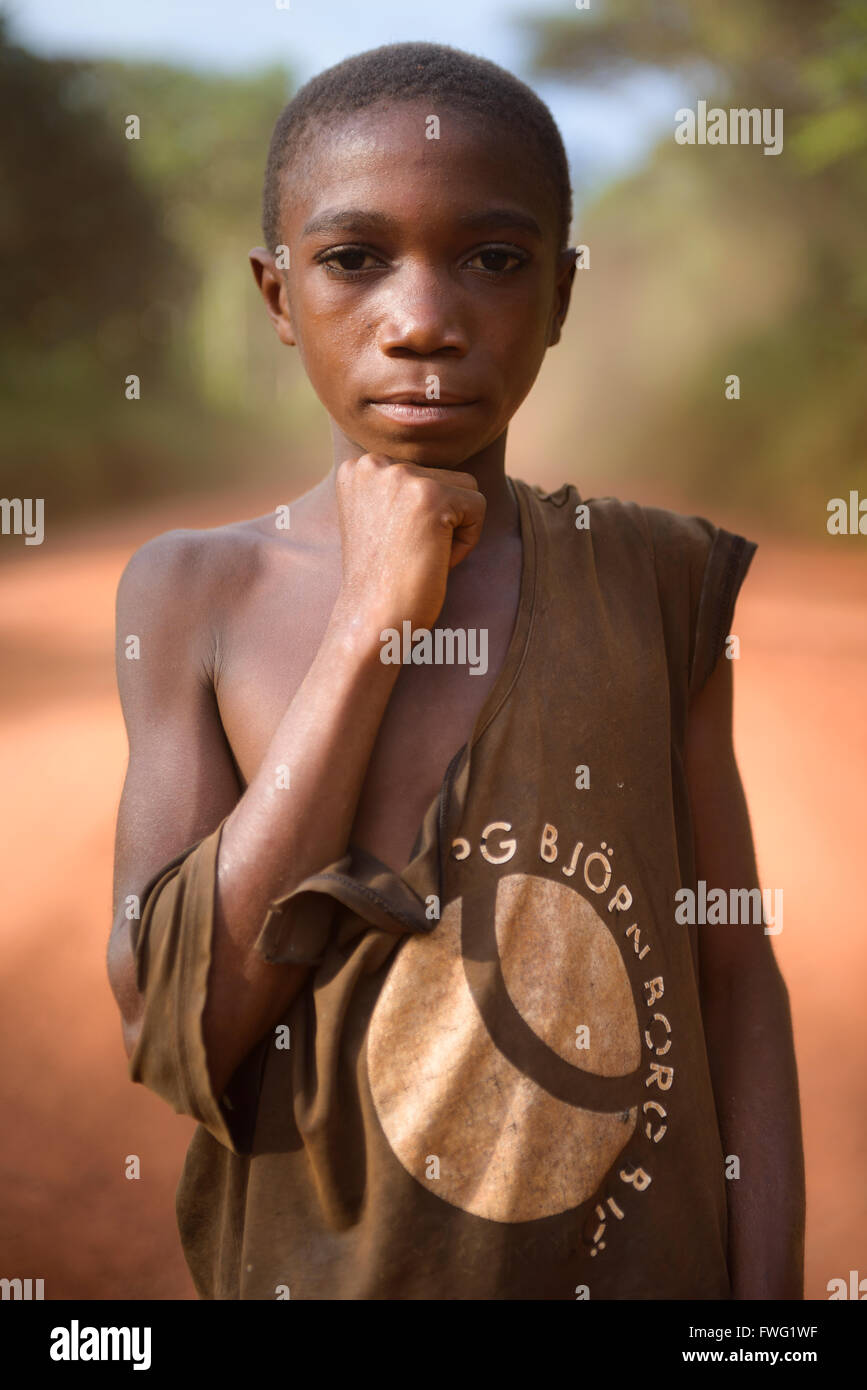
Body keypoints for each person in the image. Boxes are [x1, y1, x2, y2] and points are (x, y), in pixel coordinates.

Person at [106, 41, 805, 1300]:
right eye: (353, 259)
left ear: (562, 295)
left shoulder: (656, 583)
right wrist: (373, 619)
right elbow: (188, 1031)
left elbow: (731, 968)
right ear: (278, 296)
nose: (423, 319)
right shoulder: (197, 592)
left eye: (492, 259)